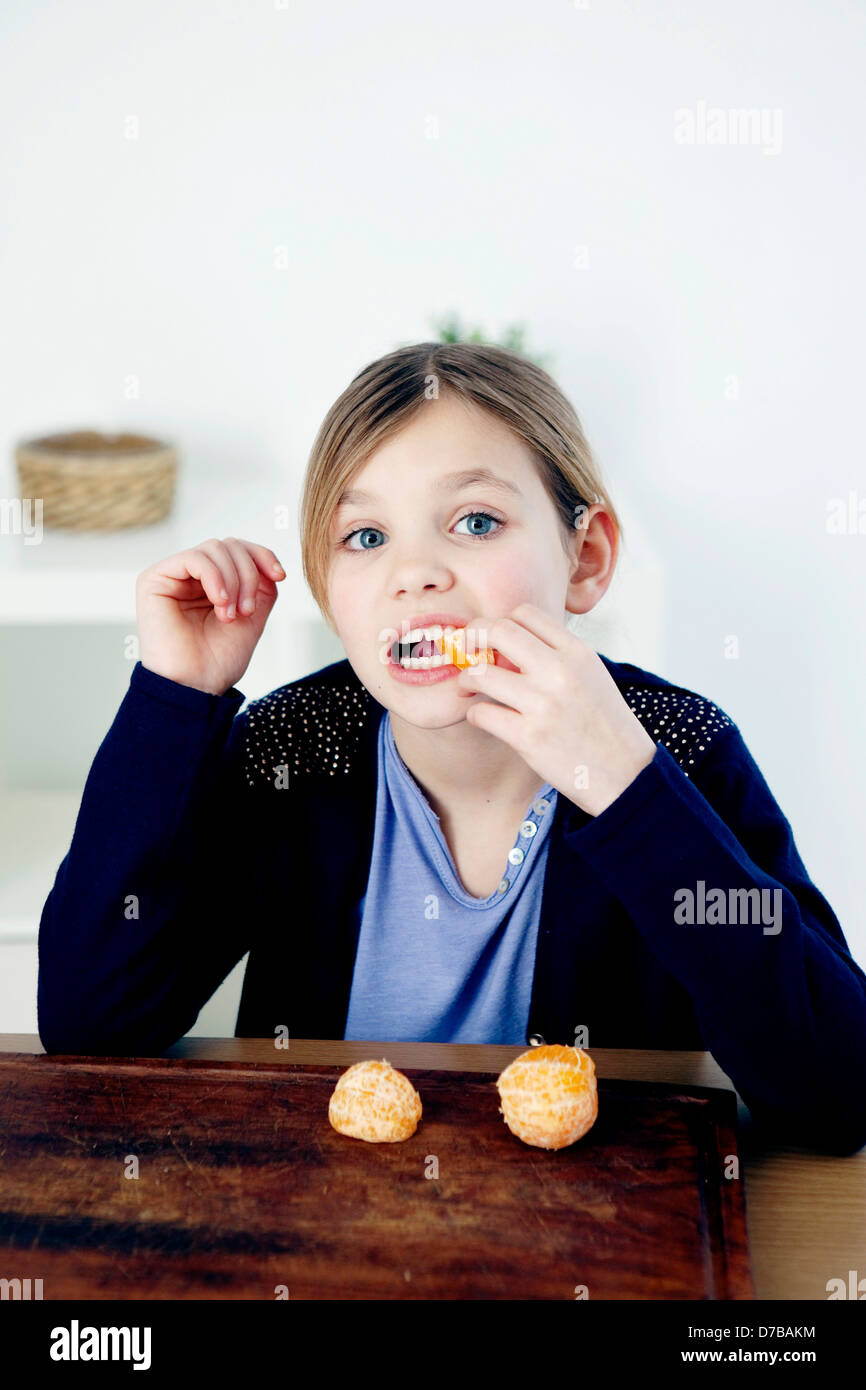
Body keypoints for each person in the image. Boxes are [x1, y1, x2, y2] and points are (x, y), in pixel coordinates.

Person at [37, 342, 866, 1155]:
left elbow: (836, 1096)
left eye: (475, 522)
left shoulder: (675, 749)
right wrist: (175, 699)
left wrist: (627, 788)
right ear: (329, 590)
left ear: (586, 557)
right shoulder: (294, 749)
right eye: (366, 537)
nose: (416, 572)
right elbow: (89, 1023)